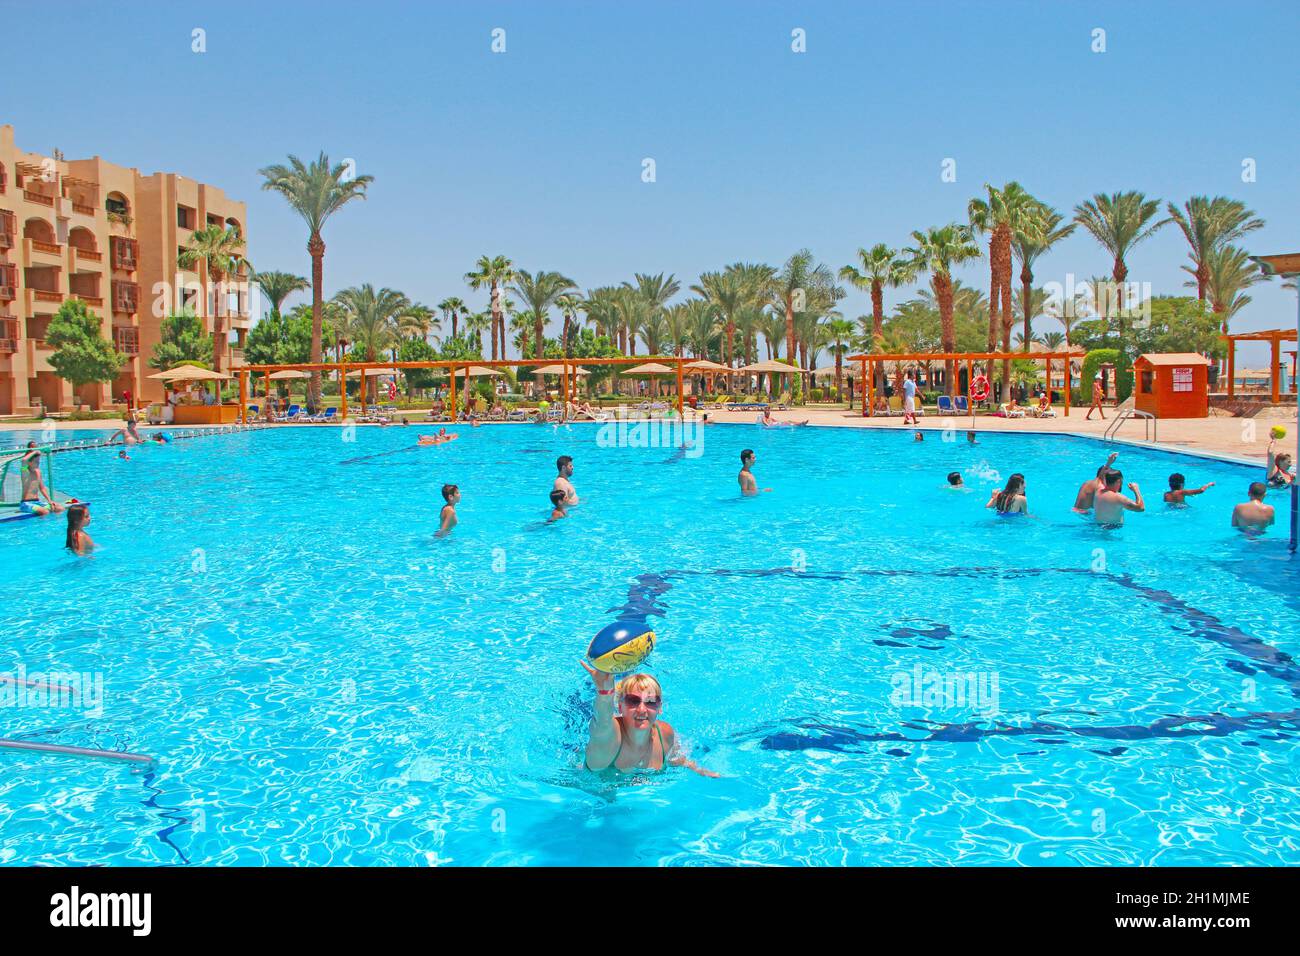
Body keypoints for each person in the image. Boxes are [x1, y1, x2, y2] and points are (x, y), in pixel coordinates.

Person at [578, 666, 718, 777]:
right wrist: (604, 691)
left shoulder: (664, 734)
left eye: (650, 702)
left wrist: (698, 769)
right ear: (620, 706)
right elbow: (602, 721)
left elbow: (676, 758)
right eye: (633, 701)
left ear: (660, 708)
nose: (642, 709)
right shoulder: (612, 736)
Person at [18, 446, 63, 516]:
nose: (38, 463)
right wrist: (35, 451)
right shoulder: (25, 472)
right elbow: (23, 460)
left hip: (38, 502)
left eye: (38, 462)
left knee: (59, 508)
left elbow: (42, 488)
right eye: (36, 462)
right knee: (44, 512)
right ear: (29, 463)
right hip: (26, 504)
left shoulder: (38, 472)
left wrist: (49, 500)